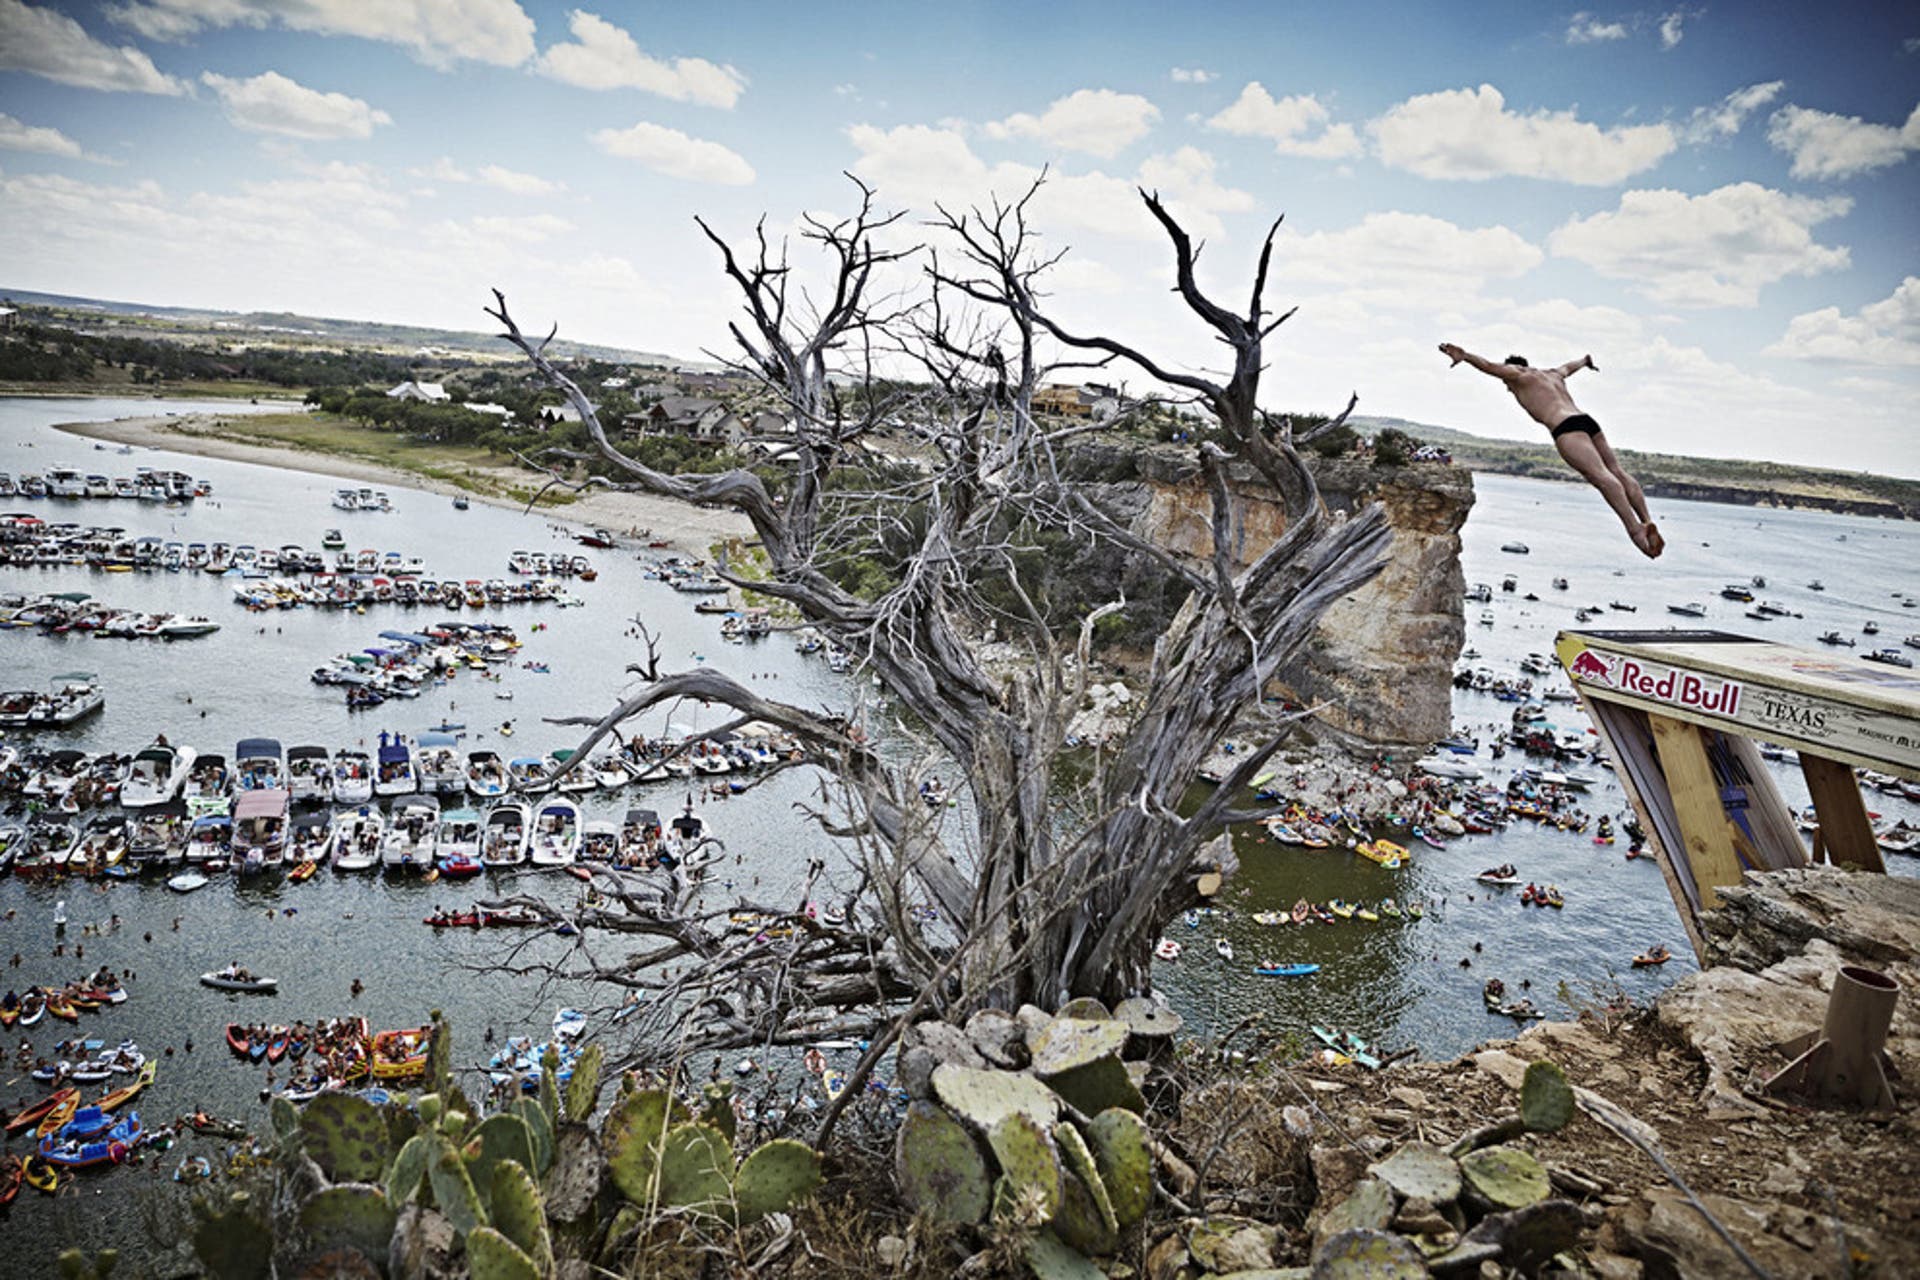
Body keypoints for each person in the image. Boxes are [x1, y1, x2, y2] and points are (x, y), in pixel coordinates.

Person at [1438, 343, 1663, 558]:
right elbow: (1569, 367)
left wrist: (1465, 356)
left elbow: (1488, 365)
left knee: (1601, 477)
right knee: (1616, 470)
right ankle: (1646, 519)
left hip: (1565, 427)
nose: (1508, 387)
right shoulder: (1553, 374)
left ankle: (1635, 529)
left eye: (1506, 383)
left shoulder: (1517, 374)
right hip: (1586, 420)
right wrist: (1585, 361)